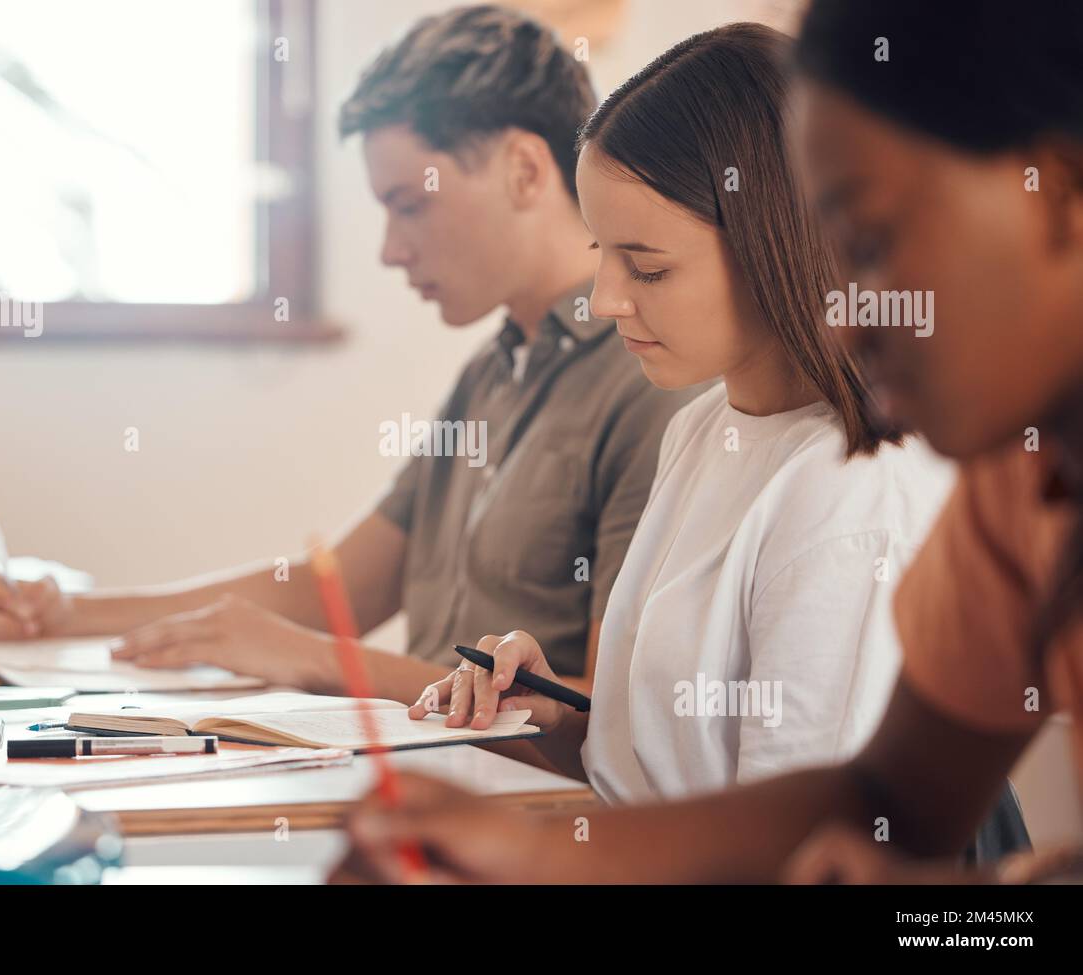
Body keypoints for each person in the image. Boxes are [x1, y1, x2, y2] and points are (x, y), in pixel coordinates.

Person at [333, 0, 1082, 885]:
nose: (844, 312)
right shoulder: (1013, 485)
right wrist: (532, 845)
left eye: (873, 244)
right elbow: (884, 796)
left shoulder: (857, 487)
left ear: (1059, 190)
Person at [0, 5, 701, 703]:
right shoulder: (495, 369)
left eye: (410, 203)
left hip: (521, 813)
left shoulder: (649, 382)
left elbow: (610, 717)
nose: (390, 249)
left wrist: (318, 660)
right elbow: (341, 590)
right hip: (432, 777)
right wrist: (63, 615)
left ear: (525, 171)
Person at [408, 22, 954, 807]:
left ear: (775, 243)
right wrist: (551, 713)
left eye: (649, 267)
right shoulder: (701, 428)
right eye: (601, 252)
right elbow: (648, 777)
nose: (604, 301)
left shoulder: (848, 491)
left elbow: (789, 843)